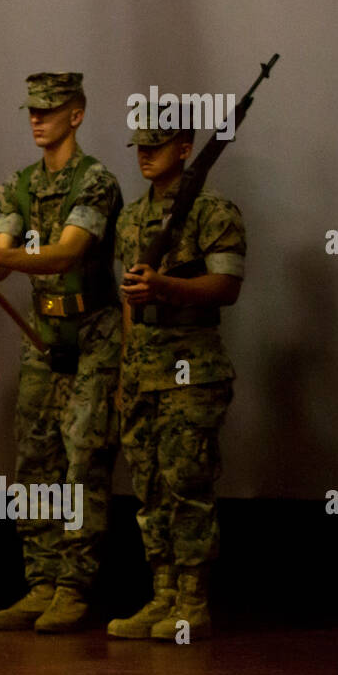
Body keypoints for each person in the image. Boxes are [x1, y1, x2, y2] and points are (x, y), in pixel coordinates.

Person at [0, 72, 122, 633]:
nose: (36, 118)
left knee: (83, 464)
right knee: (34, 463)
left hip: (94, 337)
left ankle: (74, 588)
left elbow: (64, 255)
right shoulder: (18, 187)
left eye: (48, 110)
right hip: (42, 337)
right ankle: (41, 583)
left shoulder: (96, 182)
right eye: (31, 110)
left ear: (76, 115)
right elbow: (3, 264)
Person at [108, 113, 245, 641]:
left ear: (185, 148)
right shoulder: (131, 217)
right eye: (140, 145)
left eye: (157, 145)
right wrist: (124, 370)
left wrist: (165, 286)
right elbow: (128, 300)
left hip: (191, 368)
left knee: (187, 484)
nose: (145, 154)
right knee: (149, 488)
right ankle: (162, 593)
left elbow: (227, 286)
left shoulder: (213, 210)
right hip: (142, 369)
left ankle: (192, 600)